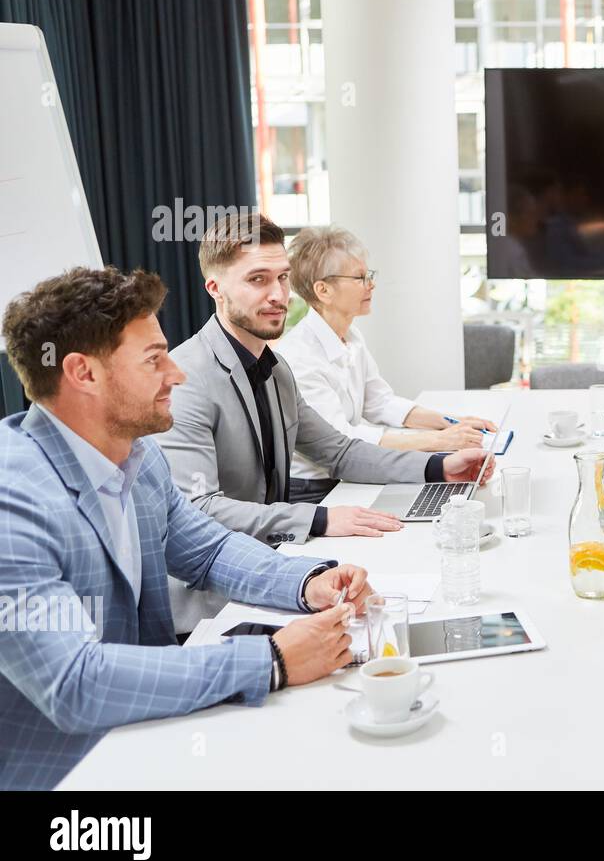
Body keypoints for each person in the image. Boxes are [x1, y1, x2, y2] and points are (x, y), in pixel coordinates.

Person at [0, 267, 372, 790]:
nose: (176, 373)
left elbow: (207, 551)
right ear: (83, 373)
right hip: (70, 774)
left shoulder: (139, 456)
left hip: (152, 733)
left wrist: (306, 582)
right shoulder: (12, 504)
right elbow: (73, 682)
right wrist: (270, 661)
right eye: (153, 359)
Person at [157, 214, 493, 631]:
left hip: (278, 569)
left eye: (282, 278)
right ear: (216, 289)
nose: (278, 294)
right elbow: (199, 511)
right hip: (212, 603)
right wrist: (318, 519)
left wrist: (439, 466)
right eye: (258, 280)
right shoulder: (185, 379)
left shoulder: (275, 368)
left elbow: (339, 451)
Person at [278, 225, 497, 504]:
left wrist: (449, 422)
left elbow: (380, 402)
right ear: (323, 290)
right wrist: (441, 442)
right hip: (315, 491)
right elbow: (342, 440)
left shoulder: (351, 336)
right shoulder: (299, 358)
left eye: (369, 275)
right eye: (359, 278)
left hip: (348, 475)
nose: (371, 284)